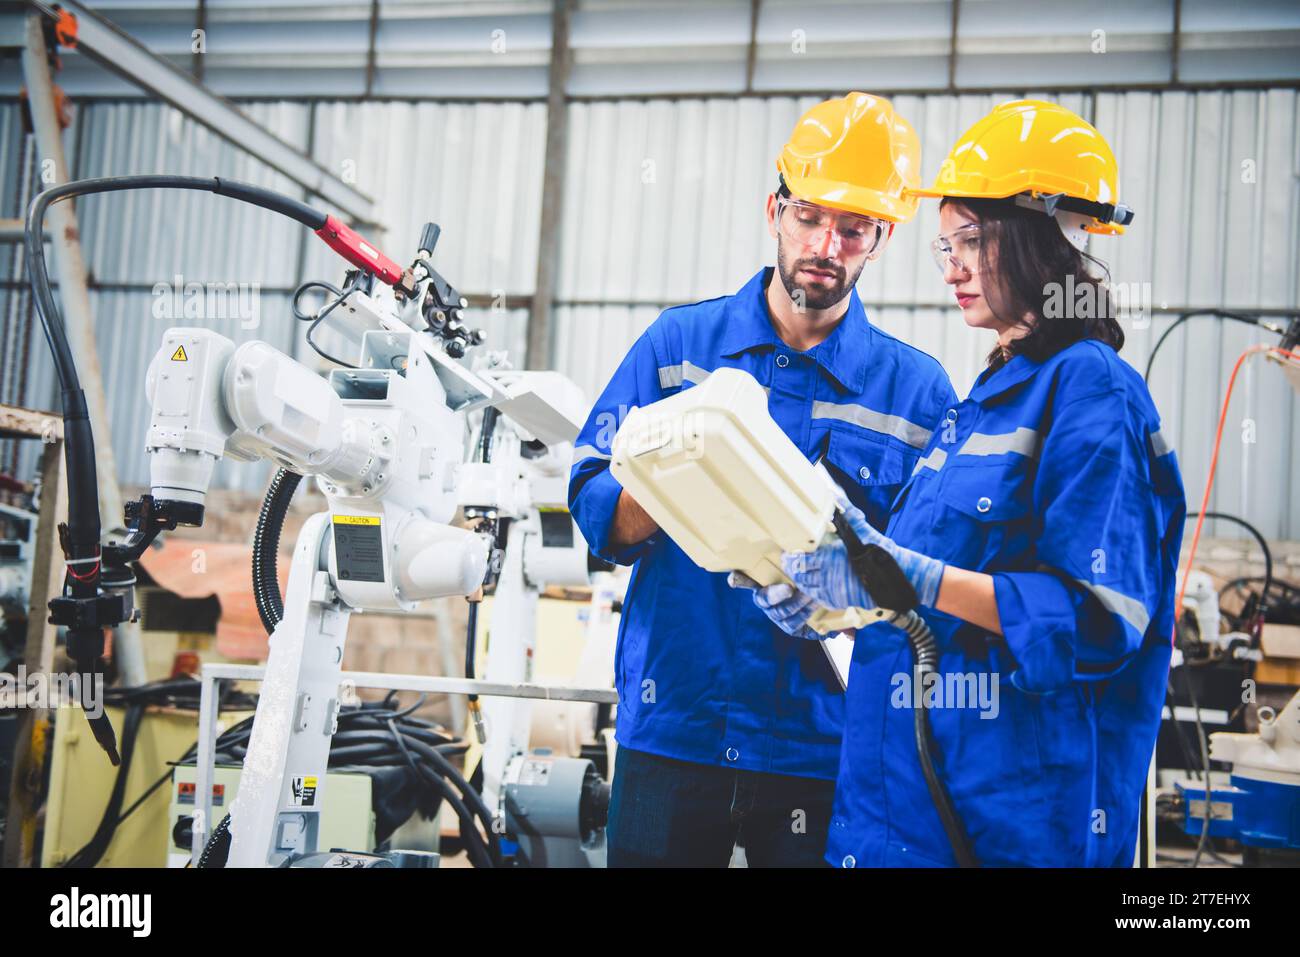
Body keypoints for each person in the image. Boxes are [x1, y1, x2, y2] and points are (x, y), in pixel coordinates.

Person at [765, 100, 1186, 867]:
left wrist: (908, 574)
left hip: (1006, 827)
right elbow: (936, 607)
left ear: (1038, 244)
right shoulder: (984, 402)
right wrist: (843, 601)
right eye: (945, 245)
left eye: (971, 241)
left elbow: (1097, 617)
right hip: (894, 814)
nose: (953, 265)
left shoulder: (1091, 392)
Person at [568, 93, 957, 867]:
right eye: (810, 216)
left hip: (822, 748)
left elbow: (925, 579)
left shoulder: (917, 394)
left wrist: (847, 588)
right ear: (774, 208)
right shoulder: (678, 345)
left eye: (853, 229)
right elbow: (593, 504)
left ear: (880, 240)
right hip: (673, 727)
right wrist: (689, 470)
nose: (827, 243)